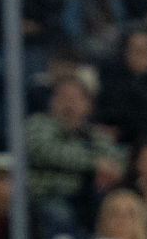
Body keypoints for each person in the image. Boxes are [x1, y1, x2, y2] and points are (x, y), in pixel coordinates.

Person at [26, 79, 127, 208]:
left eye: (74, 98)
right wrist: (94, 163)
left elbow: (113, 165)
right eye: (63, 97)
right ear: (52, 102)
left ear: (87, 105)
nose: (69, 104)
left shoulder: (96, 134)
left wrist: (105, 171)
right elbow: (44, 151)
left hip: (90, 202)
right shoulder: (37, 124)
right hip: (48, 199)